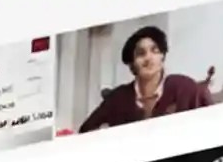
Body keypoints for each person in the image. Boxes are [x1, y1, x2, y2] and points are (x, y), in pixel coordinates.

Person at [78, 26, 212, 133]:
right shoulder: (117, 99)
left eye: (155, 51)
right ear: (132, 65)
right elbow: (86, 131)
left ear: (162, 57)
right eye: (141, 54)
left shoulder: (185, 87)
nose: (148, 58)